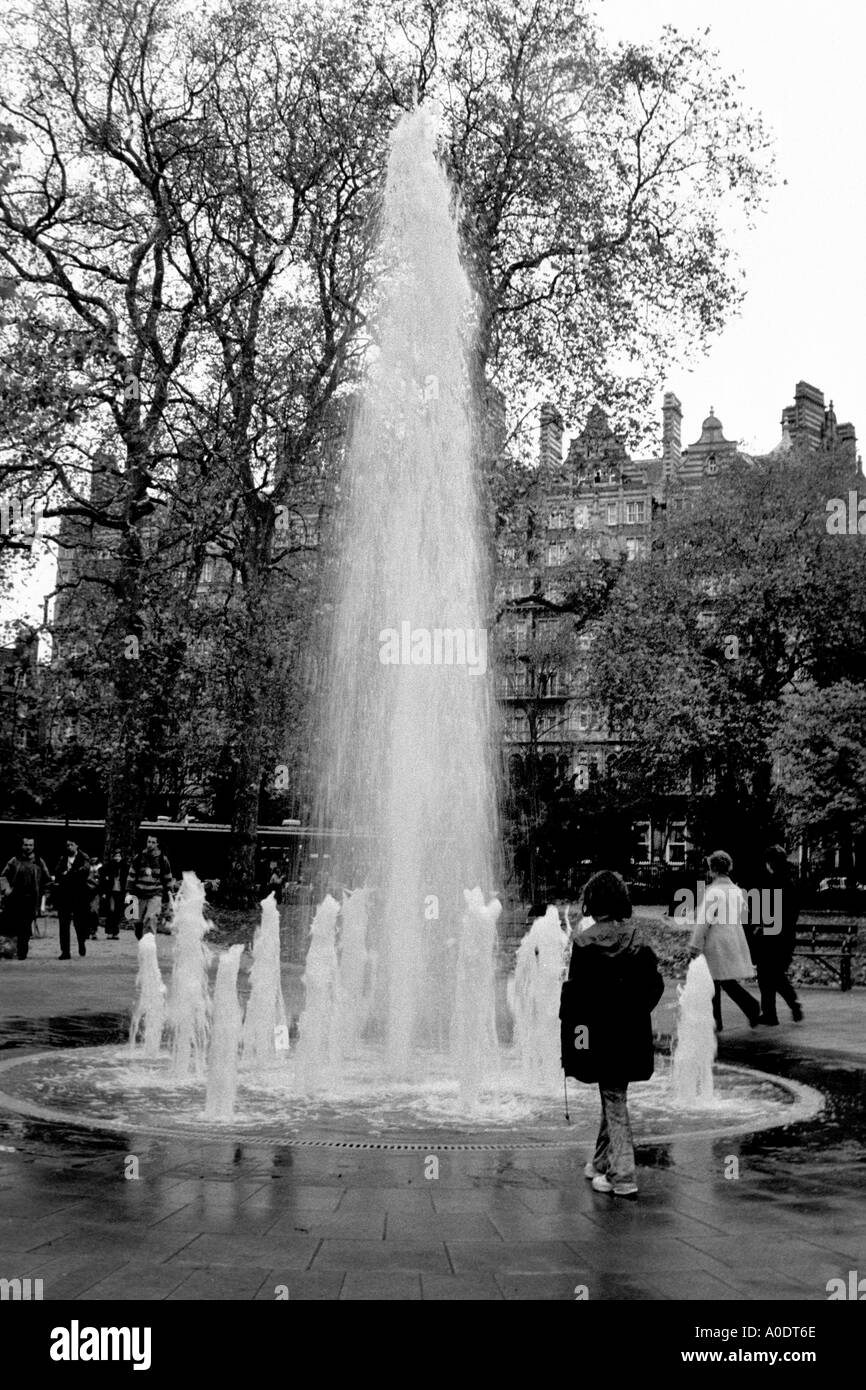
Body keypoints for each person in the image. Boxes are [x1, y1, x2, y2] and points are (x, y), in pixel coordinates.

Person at [560, 870, 665, 1199]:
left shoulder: (584, 941)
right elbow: (654, 986)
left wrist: (576, 1044)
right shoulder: (638, 938)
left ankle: (623, 1175)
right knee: (613, 1096)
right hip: (630, 1033)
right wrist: (635, 1012)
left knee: (614, 1101)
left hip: (600, 1035)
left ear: (592, 901)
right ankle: (600, 1162)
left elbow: (576, 1001)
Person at [690, 850, 761, 1030]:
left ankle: (717, 1020)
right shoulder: (737, 891)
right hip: (733, 938)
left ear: (713, 869)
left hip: (715, 941)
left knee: (712, 980)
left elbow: (704, 922)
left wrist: (695, 945)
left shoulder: (713, 892)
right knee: (725, 979)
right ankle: (749, 1006)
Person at [754, 845, 803, 1025]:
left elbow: (767, 915)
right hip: (787, 938)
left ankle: (771, 1013)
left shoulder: (770, 884)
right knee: (775, 974)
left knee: (766, 975)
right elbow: (791, 914)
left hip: (770, 939)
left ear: (770, 863)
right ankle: (790, 1003)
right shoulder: (790, 884)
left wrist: (761, 928)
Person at [0, 837, 51, 961]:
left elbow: (47, 880)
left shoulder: (39, 862)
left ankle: (22, 951)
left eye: (31, 845)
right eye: (26, 844)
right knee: (11, 924)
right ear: (22, 846)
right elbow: (3, 876)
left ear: (34, 846)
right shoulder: (14, 861)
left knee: (26, 926)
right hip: (15, 898)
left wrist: (44, 897)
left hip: (31, 899)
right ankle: (9, 950)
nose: (28, 847)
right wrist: (6, 890)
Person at [52, 838, 93, 959]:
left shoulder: (84, 858)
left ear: (77, 846)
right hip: (64, 895)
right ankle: (65, 951)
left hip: (79, 895)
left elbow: (84, 871)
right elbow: (57, 872)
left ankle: (81, 942)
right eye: (67, 845)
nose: (69, 847)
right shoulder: (62, 858)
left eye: (71, 844)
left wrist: (69, 874)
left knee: (79, 923)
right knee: (63, 924)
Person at [126, 835, 173, 939]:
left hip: (155, 893)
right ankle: (140, 934)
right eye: (149, 842)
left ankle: (149, 943)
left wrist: (170, 891)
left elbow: (168, 876)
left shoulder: (162, 859)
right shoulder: (139, 858)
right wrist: (129, 891)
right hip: (140, 893)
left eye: (153, 842)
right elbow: (131, 874)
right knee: (137, 920)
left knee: (151, 918)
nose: (150, 844)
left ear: (157, 844)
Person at [98, 849, 128, 940]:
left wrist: (128, 892)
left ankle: (115, 932)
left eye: (119, 856)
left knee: (118, 912)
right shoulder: (109, 866)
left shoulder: (125, 867)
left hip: (120, 891)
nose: (117, 858)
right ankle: (109, 932)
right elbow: (101, 871)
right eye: (116, 856)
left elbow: (129, 879)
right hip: (111, 892)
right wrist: (106, 881)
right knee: (111, 910)